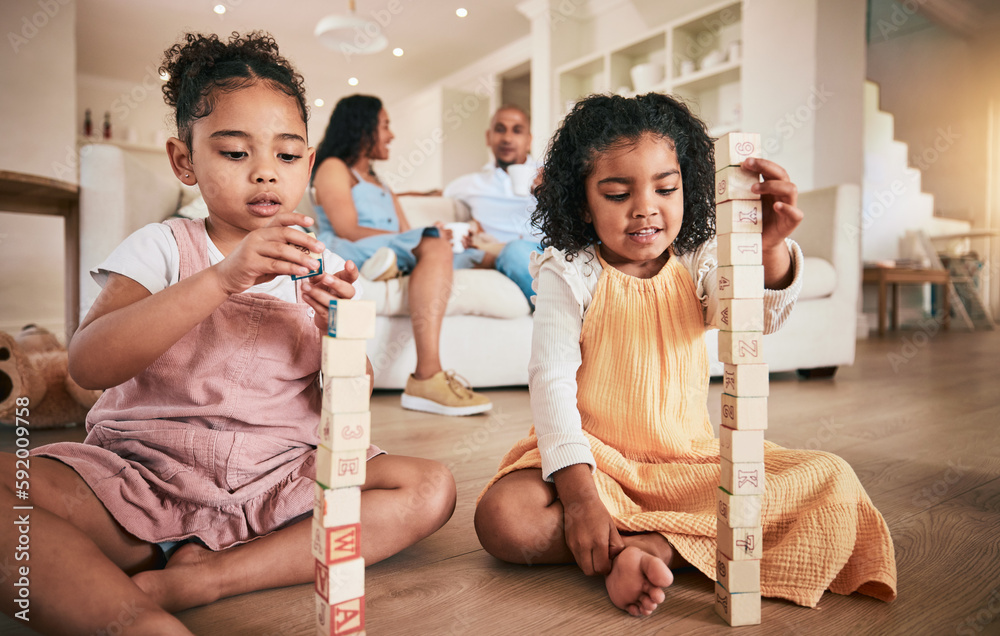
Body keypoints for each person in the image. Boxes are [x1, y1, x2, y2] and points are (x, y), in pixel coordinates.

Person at [0, 32, 457, 635]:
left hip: (277, 483)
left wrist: (335, 335)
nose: (266, 173)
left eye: (288, 157)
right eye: (237, 154)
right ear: (184, 160)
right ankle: (129, 616)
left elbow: (350, 410)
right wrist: (221, 279)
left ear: (309, 165)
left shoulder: (319, 266)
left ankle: (211, 575)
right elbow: (87, 364)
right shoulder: (163, 246)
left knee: (431, 488)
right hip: (141, 477)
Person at [474, 93, 898, 617]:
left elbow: (753, 319)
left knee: (831, 478)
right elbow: (551, 381)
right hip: (597, 462)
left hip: (687, 463)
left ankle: (651, 548)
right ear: (583, 203)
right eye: (615, 193)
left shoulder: (698, 261)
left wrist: (766, 250)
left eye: (666, 188)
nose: (645, 208)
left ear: (688, 189)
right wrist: (581, 498)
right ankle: (673, 543)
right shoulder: (569, 271)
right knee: (504, 518)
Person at [311, 94, 492, 416]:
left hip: (390, 246)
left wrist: (436, 234)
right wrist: (423, 237)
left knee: (480, 254)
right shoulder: (333, 168)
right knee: (432, 242)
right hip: (353, 245)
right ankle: (427, 376)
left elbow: (406, 227)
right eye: (384, 125)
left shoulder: (379, 182)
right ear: (361, 126)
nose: (391, 135)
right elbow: (348, 227)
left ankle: (395, 266)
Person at [443, 104, 544, 303]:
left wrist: (551, 193)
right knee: (442, 256)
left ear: (529, 140)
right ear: (488, 137)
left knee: (514, 251)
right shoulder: (472, 183)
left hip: (542, 250)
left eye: (517, 130)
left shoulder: (549, 174)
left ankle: (564, 318)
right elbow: (434, 194)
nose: (507, 138)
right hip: (495, 252)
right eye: (500, 130)